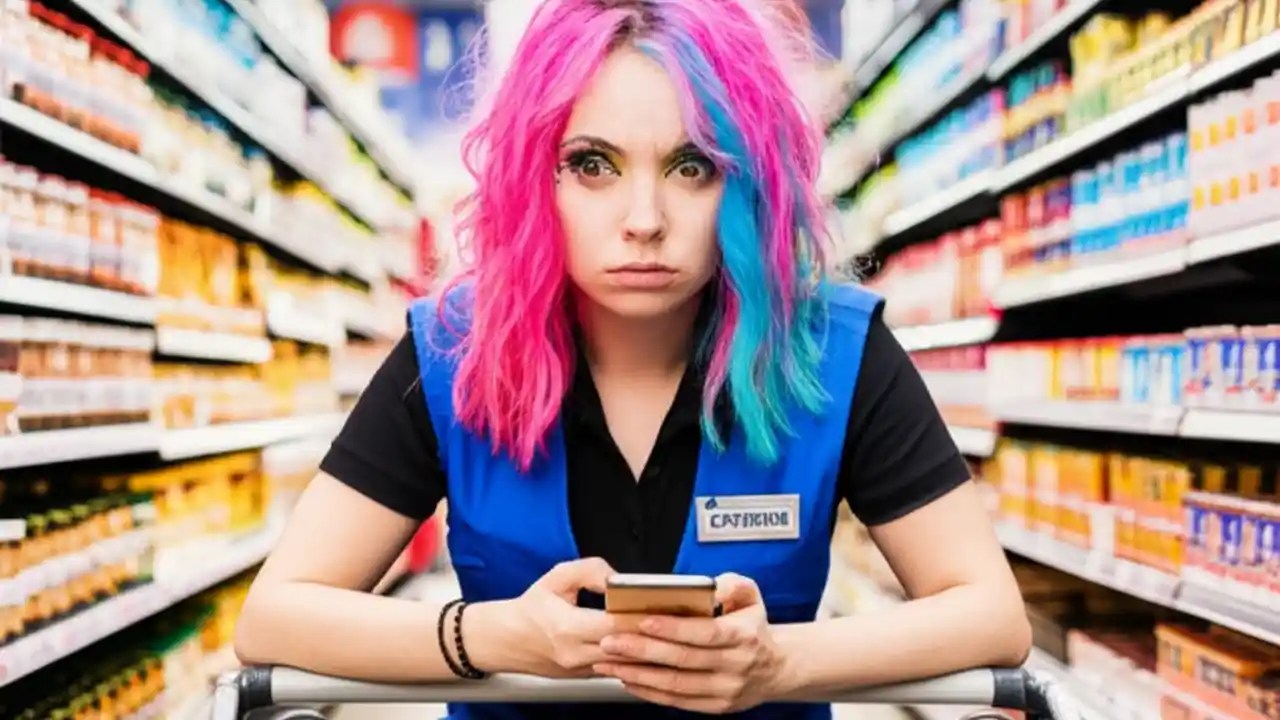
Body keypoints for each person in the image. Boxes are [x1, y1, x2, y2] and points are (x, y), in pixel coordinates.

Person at [233, 0, 1033, 717]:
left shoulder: (833, 350)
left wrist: (781, 663)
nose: (644, 219)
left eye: (693, 166)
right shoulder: (453, 350)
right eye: (593, 165)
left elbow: (992, 616)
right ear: (533, 178)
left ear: (750, 181)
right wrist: (491, 636)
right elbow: (275, 616)